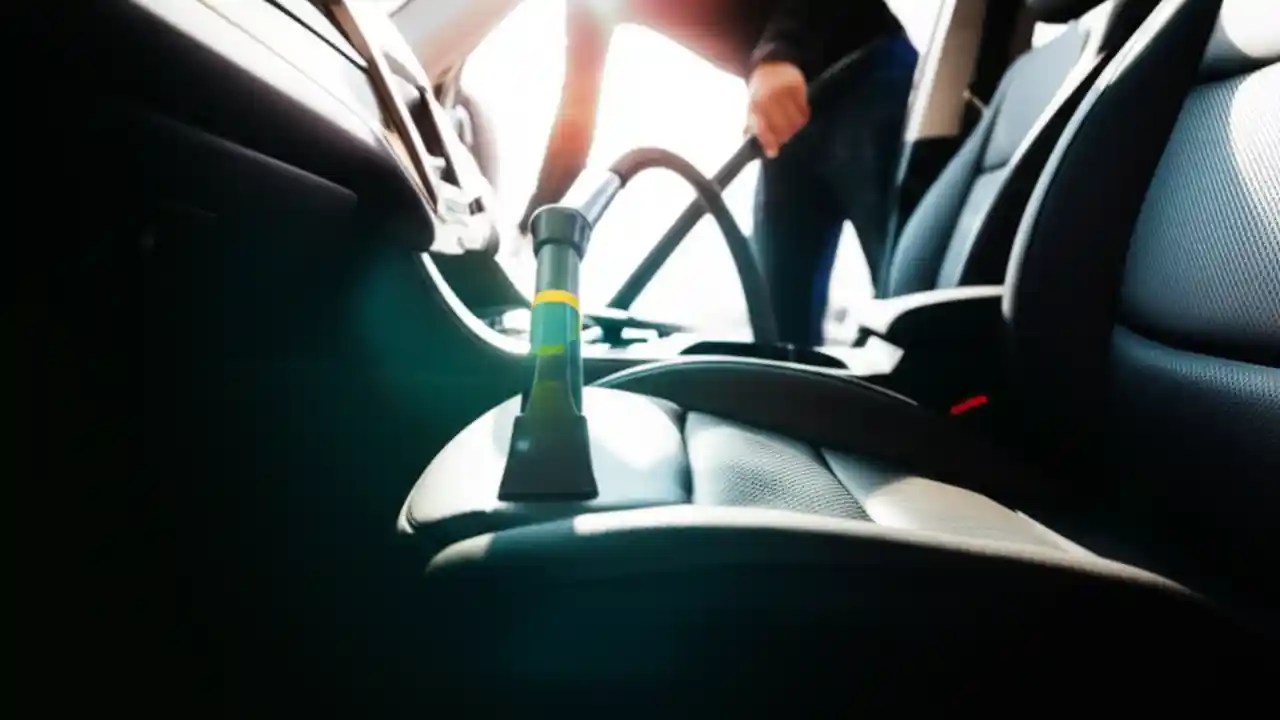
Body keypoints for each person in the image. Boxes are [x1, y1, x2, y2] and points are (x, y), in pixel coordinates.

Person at [521, 0, 917, 346]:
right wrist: (532, 226)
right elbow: (574, 123)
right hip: (783, 124)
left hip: (867, 75)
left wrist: (779, 51)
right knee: (779, 325)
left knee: (908, 301)